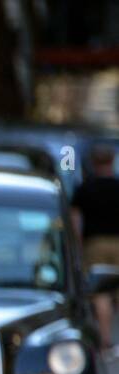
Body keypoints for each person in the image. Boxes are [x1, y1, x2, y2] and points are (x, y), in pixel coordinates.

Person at [71, 143, 119, 354]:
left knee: (101, 292)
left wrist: (77, 244)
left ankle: (106, 339)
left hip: (95, 244)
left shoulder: (85, 188)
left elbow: (74, 220)